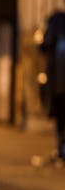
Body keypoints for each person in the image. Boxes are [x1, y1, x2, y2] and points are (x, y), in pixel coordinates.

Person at [40, 9, 65, 160]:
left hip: (58, 90)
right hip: (58, 89)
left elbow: (43, 47)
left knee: (60, 121)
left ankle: (61, 148)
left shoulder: (54, 42)